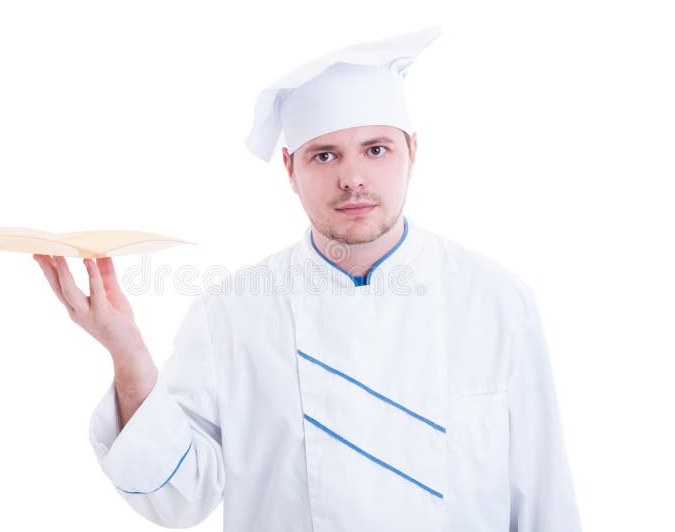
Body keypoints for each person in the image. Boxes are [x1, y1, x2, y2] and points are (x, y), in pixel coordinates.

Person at [34, 25, 582, 531]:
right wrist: (128, 354)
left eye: (375, 149)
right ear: (291, 169)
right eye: (325, 155)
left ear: (412, 152)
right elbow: (176, 495)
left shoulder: (497, 301)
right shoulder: (232, 314)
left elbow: (543, 497)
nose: (353, 178)